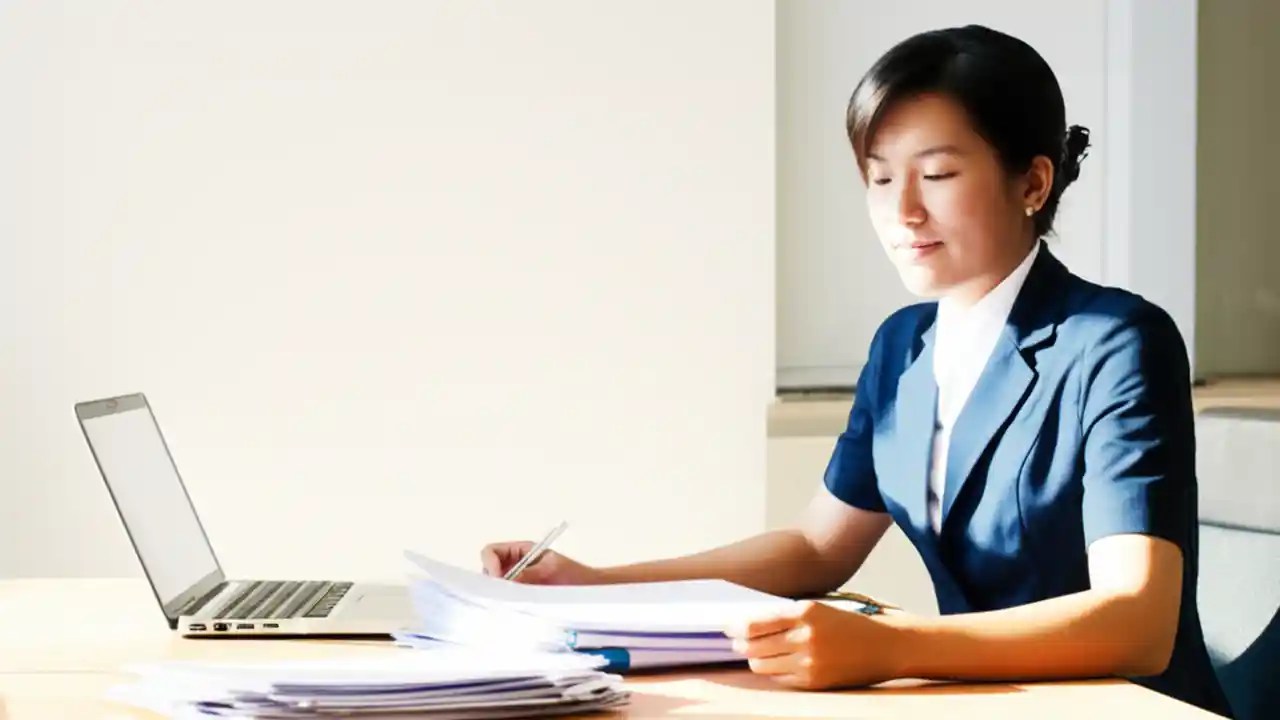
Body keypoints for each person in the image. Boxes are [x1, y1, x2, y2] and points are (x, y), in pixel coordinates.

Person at [481, 25, 1232, 718]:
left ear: (1033, 184)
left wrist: (890, 645)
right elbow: (817, 548)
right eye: (879, 179)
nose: (902, 211)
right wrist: (594, 585)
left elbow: (1137, 621)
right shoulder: (902, 346)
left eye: (936, 174)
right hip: (991, 704)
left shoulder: (1116, 342)